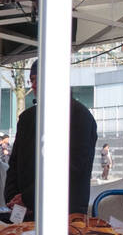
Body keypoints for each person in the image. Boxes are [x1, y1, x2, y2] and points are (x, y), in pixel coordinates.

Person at [4, 60, 98, 220]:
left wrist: (27, 198)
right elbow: (14, 164)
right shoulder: (27, 118)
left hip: (64, 211)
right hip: (24, 212)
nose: (33, 85)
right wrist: (13, 198)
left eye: (37, 79)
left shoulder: (79, 117)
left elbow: (71, 168)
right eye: (31, 79)